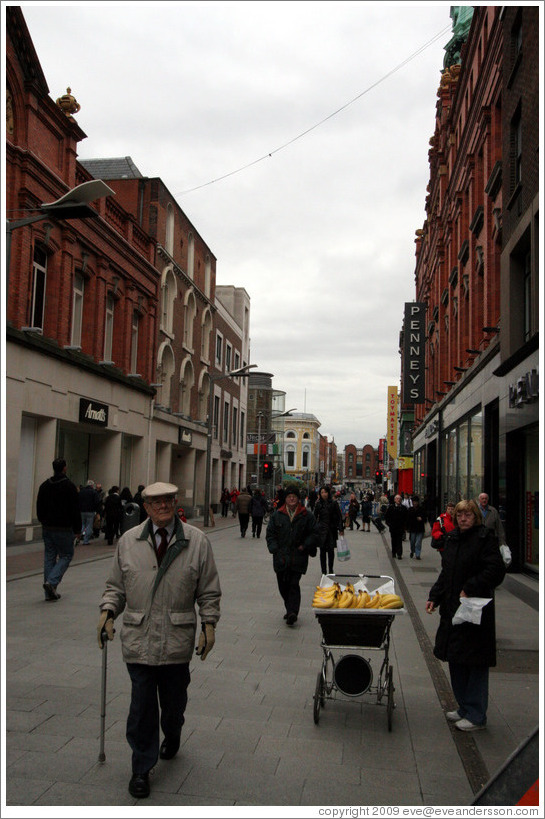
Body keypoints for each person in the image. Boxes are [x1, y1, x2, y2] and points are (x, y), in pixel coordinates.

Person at [97, 481, 221, 799]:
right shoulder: (128, 541)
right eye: (155, 502)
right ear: (145, 507)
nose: (162, 506)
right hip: (138, 637)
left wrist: (209, 624)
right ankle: (141, 767)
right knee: (141, 705)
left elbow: (208, 590)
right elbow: (116, 586)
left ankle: (174, 729)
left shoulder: (197, 541)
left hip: (177, 638)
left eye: (168, 500)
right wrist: (108, 611)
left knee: (173, 700)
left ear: (176, 502)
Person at [425, 499, 505, 732]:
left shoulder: (484, 540)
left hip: (475, 611)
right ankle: (464, 706)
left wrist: (471, 587)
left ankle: (477, 713)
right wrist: (434, 596)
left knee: (475, 662)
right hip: (453, 610)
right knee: (456, 658)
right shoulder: (453, 539)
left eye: (468, 515)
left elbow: (496, 571)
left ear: (475, 517)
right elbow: (446, 573)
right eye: (459, 515)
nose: (463, 519)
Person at [266, 484, 319, 626]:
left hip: (298, 555)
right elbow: (270, 534)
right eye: (289, 497)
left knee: (293, 583)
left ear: (298, 499)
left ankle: (292, 612)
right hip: (281, 556)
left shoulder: (306, 515)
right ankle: (289, 608)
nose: (291, 499)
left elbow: (315, 533)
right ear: (285, 499)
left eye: (294, 497)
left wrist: (305, 545)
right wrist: (274, 549)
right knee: (283, 585)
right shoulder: (278, 515)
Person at [36, 457, 82, 601]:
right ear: (64, 468)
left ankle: (49, 591)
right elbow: (75, 509)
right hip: (63, 527)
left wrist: (43, 520)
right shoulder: (69, 486)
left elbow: (39, 507)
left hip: (48, 526)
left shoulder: (44, 485)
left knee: (49, 556)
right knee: (66, 555)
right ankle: (52, 582)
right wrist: (77, 529)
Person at [313, 485, 344, 575]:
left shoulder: (334, 503)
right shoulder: (318, 504)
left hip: (331, 529)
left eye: (325, 492)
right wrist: (314, 529)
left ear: (328, 493)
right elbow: (314, 517)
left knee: (331, 551)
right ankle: (323, 571)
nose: (324, 494)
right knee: (322, 551)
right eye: (322, 492)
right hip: (322, 530)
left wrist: (341, 529)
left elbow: (339, 516)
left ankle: (330, 569)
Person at [384, 494, 408, 559]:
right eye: (397, 499)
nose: (398, 500)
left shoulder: (403, 508)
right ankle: (394, 552)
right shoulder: (391, 508)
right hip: (393, 527)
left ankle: (399, 553)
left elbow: (406, 518)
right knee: (394, 540)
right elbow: (387, 517)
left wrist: (405, 526)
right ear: (394, 500)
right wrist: (389, 524)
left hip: (400, 527)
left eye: (399, 499)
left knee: (399, 541)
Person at [78, 479, 100, 544]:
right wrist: (97, 510)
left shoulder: (81, 492)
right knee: (89, 526)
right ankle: (85, 540)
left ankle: (78, 537)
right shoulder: (94, 492)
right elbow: (97, 502)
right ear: (92, 485)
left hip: (82, 511)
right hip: (90, 511)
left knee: (82, 524)